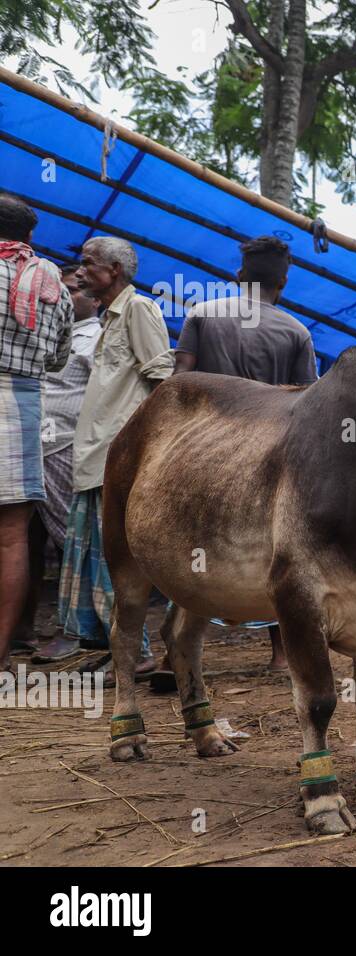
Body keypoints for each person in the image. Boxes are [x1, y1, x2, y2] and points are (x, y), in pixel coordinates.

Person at [173, 235, 317, 670]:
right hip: (267, 454)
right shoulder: (296, 331)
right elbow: (306, 403)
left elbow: (177, 384)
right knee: (275, 546)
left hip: (206, 448)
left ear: (238, 277)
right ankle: (280, 653)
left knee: (189, 542)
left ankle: (172, 651)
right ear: (284, 281)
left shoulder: (202, 314)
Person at [58, 236, 173, 677]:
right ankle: (120, 648)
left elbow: (161, 380)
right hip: (97, 456)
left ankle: (136, 653)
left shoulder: (139, 310)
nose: (81, 270)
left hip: (116, 455)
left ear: (115, 272)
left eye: (89, 264)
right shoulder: (110, 317)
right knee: (103, 557)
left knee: (118, 561)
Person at [0, 195, 73, 674]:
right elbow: (58, 360)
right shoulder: (55, 285)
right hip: (23, 404)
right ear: (30, 236)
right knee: (12, 539)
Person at [17, 267, 103, 663]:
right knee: (29, 541)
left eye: (75, 291)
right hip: (31, 446)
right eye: (62, 291)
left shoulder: (97, 338)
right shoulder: (46, 331)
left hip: (66, 447)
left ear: (97, 299)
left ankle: (75, 630)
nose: (65, 298)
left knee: (75, 541)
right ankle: (22, 629)